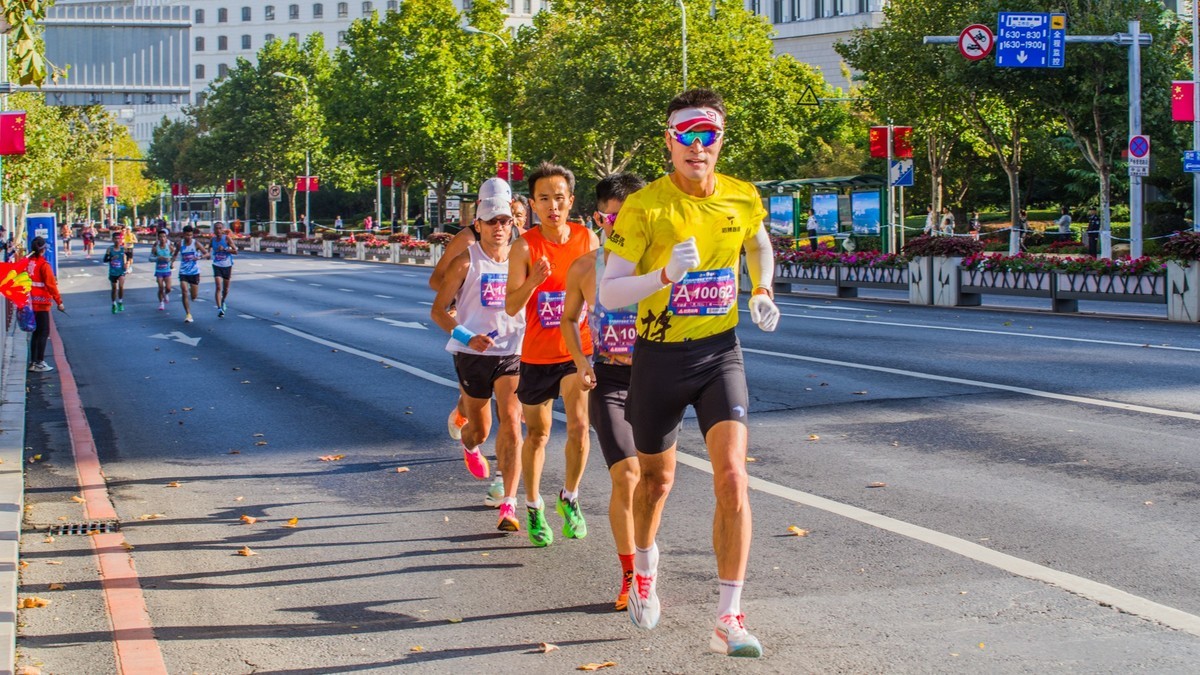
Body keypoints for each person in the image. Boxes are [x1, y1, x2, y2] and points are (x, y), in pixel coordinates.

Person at [598, 89, 780, 658]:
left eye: (709, 135)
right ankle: (646, 572)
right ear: (670, 142)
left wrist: (763, 287)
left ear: (721, 138)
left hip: (720, 352)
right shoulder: (644, 207)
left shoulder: (741, 196)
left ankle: (729, 616)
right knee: (656, 483)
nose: (698, 147)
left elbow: (759, 244)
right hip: (657, 357)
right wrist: (663, 278)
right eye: (687, 136)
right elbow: (609, 291)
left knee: (732, 477)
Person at [561, 172, 646, 611]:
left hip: (655, 380)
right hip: (609, 380)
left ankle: (646, 563)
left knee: (654, 482)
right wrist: (579, 362)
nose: (622, 227)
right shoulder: (584, 267)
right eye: (613, 219)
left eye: (632, 218)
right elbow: (568, 319)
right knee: (626, 475)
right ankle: (630, 574)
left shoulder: (660, 262)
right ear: (599, 218)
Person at [505, 161, 598, 548]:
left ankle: (570, 497)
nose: (552, 206)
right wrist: (534, 281)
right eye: (544, 199)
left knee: (578, 427)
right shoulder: (524, 246)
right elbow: (511, 306)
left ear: (570, 200)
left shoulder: (587, 239)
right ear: (534, 203)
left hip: (578, 350)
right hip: (538, 355)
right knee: (538, 435)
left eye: (559, 198)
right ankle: (532, 505)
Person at [430, 191, 526, 532]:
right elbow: (438, 311)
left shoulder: (523, 257)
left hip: (512, 351)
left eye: (504, 221)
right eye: (492, 222)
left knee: (513, 421)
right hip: (473, 354)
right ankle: (469, 445)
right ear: (479, 225)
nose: (499, 228)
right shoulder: (466, 262)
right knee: (480, 429)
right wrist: (467, 336)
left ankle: (509, 504)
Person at [25, 236, 65, 372]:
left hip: (30, 301)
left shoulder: (29, 262)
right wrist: (59, 302)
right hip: (41, 303)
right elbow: (51, 285)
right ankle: (39, 362)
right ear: (43, 250)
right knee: (43, 332)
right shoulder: (44, 265)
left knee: (36, 333)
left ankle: (33, 361)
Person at [171, 225, 208, 323]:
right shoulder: (180, 244)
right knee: (184, 291)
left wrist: (199, 257)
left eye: (191, 235)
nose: (189, 237)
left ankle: (193, 290)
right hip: (183, 271)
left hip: (194, 272)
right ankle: (188, 314)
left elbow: (207, 254)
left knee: (194, 296)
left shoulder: (196, 243)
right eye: (187, 235)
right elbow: (175, 255)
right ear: (183, 235)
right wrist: (171, 263)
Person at [210, 221, 237, 317]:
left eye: (220, 228)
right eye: (216, 228)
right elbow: (207, 249)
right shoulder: (212, 240)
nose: (218, 230)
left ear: (223, 230)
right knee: (218, 286)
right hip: (217, 265)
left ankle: (223, 300)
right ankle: (219, 309)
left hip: (227, 265)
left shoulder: (227, 239)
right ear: (214, 230)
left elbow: (235, 251)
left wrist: (225, 249)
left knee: (225, 289)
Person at [103, 231, 128, 313]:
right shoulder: (109, 249)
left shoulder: (123, 249)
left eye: (119, 239)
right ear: (113, 239)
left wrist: (126, 264)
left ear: (121, 240)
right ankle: (113, 304)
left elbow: (129, 257)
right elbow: (104, 260)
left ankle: (120, 302)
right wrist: (111, 259)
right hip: (113, 272)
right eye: (115, 239)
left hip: (121, 271)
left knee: (121, 286)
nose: (117, 240)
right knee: (114, 288)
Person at [149, 228, 174, 310]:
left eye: (164, 237)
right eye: (161, 237)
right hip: (159, 270)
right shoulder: (156, 248)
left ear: (166, 238)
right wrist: (157, 258)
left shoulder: (169, 247)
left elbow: (174, 256)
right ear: (158, 238)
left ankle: (166, 294)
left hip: (167, 270)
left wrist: (170, 260)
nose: (162, 238)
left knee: (168, 288)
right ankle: (161, 303)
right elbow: (150, 258)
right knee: (160, 287)